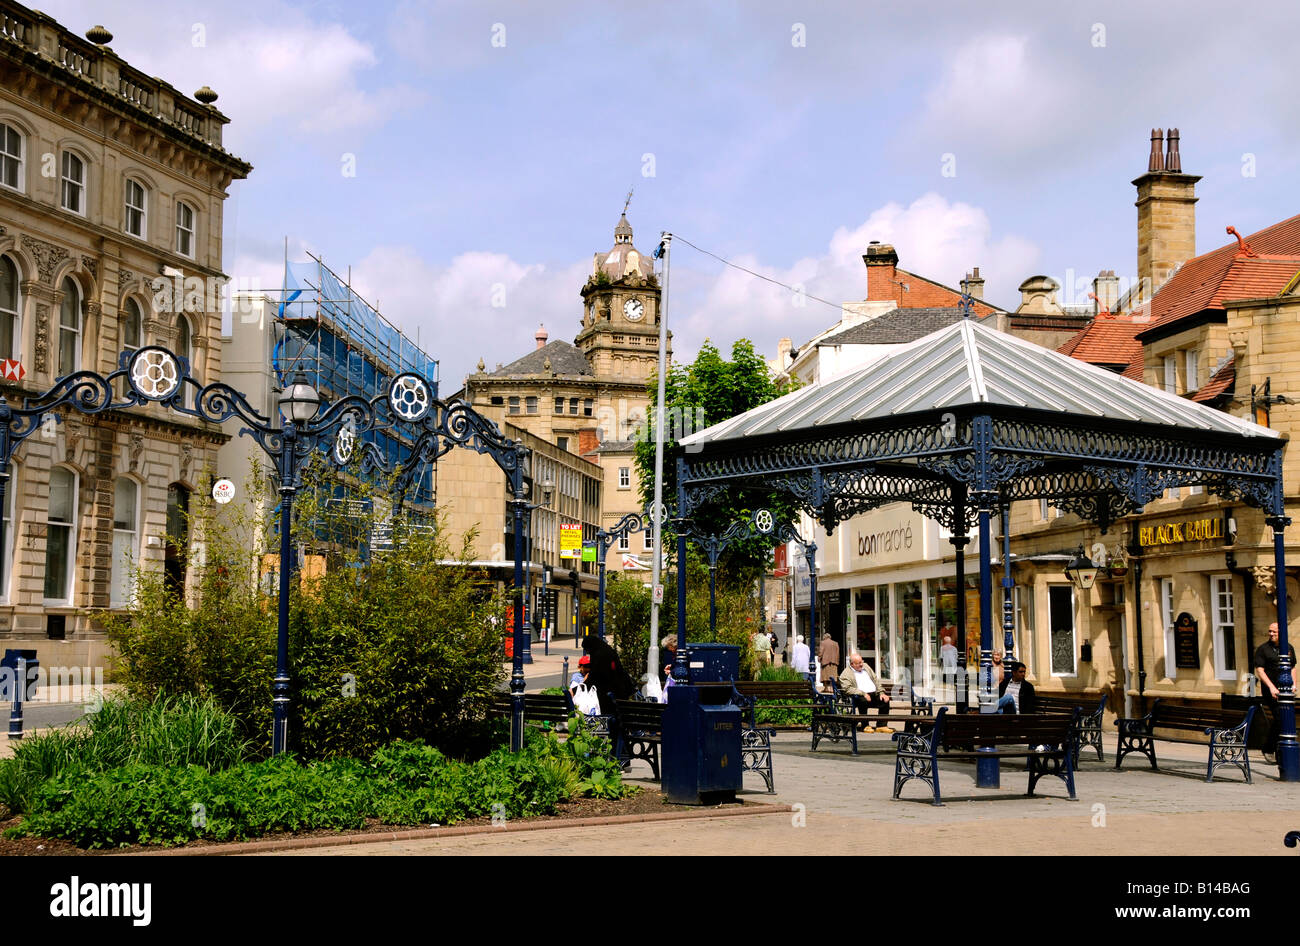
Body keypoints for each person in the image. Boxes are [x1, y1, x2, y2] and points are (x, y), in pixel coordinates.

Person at [1254, 622, 1296, 763]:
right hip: (1271, 692)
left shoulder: (1288, 648)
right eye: (1269, 631)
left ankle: (1280, 753)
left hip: (1286, 691)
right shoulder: (1263, 649)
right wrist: (1271, 687)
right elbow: (1260, 670)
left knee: (1286, 720)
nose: (1271, 634)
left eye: (1274, 632)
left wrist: (1294, 683)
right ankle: (1268, 748)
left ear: (1281, 633)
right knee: (1280, 718)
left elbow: (1292, 667)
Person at [581, 634, 636, 716]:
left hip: (608, 696)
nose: (588, 652)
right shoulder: (607, 650)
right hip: (620, 692)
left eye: (587, 649)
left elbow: (595, 676)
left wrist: (578, 688)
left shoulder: (599, 655)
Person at [838, 653, 893, 732]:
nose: (861, 664)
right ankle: (865, 725)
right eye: (858, 663)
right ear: (852, 664)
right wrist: (863, 693)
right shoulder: (845, 674)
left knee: (884, 700)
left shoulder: (866, 666)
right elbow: (847, 689)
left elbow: (875, 679)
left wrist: (881, 692)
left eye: (861, 662)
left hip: (873, 693)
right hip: (858, 696)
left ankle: (882, 725)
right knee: (863, 700)